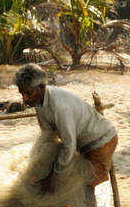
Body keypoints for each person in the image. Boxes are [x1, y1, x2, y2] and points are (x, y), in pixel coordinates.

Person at [14, 63, 118, 195]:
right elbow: (48, 136)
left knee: (84, 184)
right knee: (73, 180)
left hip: (101, 140)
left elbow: (69, 144)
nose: (25, 99)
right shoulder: (39, 103)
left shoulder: (60, 106)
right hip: (82, 143)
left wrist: (52, 176)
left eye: (29, 93)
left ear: (41, 87)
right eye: (22, 93)